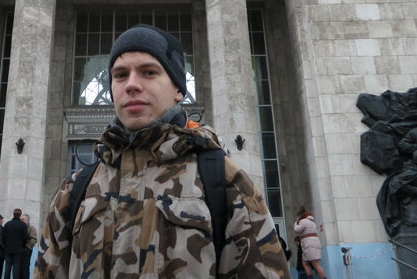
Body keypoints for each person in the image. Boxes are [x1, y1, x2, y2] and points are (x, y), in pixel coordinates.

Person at [35, 23, 290, 278]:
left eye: (148, 72)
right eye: (120, 75)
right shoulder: (74, 191)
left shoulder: (223, 181)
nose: (131, 85)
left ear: (179, 89)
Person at [292, 207, 326, 279]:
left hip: (309, 245)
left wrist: (296, 221)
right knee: (305, 262)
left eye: (298, 217)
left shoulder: (303, 221)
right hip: (313, 243)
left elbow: (296, 230)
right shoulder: (311, 222)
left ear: (300, 215)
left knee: (316, 264)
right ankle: (310, 277)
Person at [2, 208, 29, 279]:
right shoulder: (23, 225)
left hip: (8, 249)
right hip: (18, 250)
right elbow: (25, 238)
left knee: (7, 268)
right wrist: (22, 246)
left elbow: (3, 237)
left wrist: (5, 246)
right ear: (20, 215)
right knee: (16, 269)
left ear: (13, 214)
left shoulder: (7, 224)